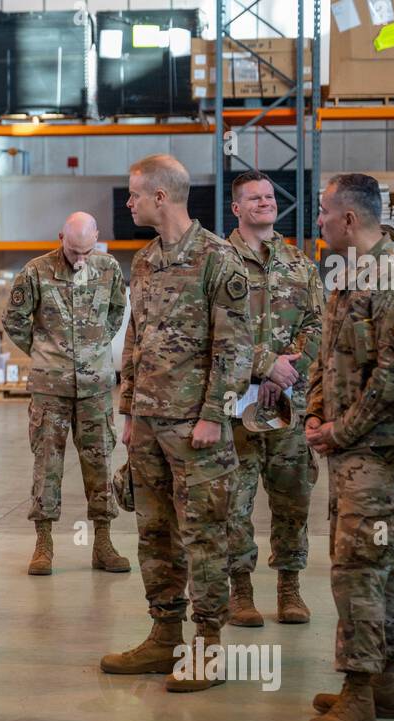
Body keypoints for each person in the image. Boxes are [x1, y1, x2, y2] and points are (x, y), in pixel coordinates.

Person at [99, 154, 253, 692]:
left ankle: (207, 646)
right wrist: (129, 411)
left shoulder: (218, 260)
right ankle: (164, 636)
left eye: (135, 194)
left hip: (196, 428)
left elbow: (234, 349)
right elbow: (136, 338)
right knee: (154, 532)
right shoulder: (143, 262)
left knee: (205, 536)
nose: (129, 202)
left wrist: (215, 415)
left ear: (160, 197)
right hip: (149, 423)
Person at [305, 173, 394, 721]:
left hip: (379, 441)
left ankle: (358, 692)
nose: (318, 222)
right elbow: (328, 352)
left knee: (356, 567)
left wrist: (341, 431)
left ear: (348, 220)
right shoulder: (350, 275)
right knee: (375, 561)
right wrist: (316, 410)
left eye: (323, 213)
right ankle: (385, 683)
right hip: (350, 440)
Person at [2, 211, 129, 576]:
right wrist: (46, 353)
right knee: (47, 465)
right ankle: (44, 543)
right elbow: (15, 320)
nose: (80, 258)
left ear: (97, 239)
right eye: (74, 251)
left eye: (87, 250)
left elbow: (117, 313)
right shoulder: (35, 272)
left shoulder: (108, 269)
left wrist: (94, 349)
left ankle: (103, 542)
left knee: (100, 462)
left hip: (96, 387)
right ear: (60, 238)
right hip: (50, 389)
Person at [224, 170, 322, 627]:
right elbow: (213, 328)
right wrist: (264, 363)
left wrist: (289, 371)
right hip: (233, 404)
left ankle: (290, 587)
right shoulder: (219, 262)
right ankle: (240, 591)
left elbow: (318, 326)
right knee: (234, 500)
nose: (265, 202)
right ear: (236, 208)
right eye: (254, 198)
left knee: (292, 497)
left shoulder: (301, 264)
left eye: (268, 196)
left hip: (289, 404)